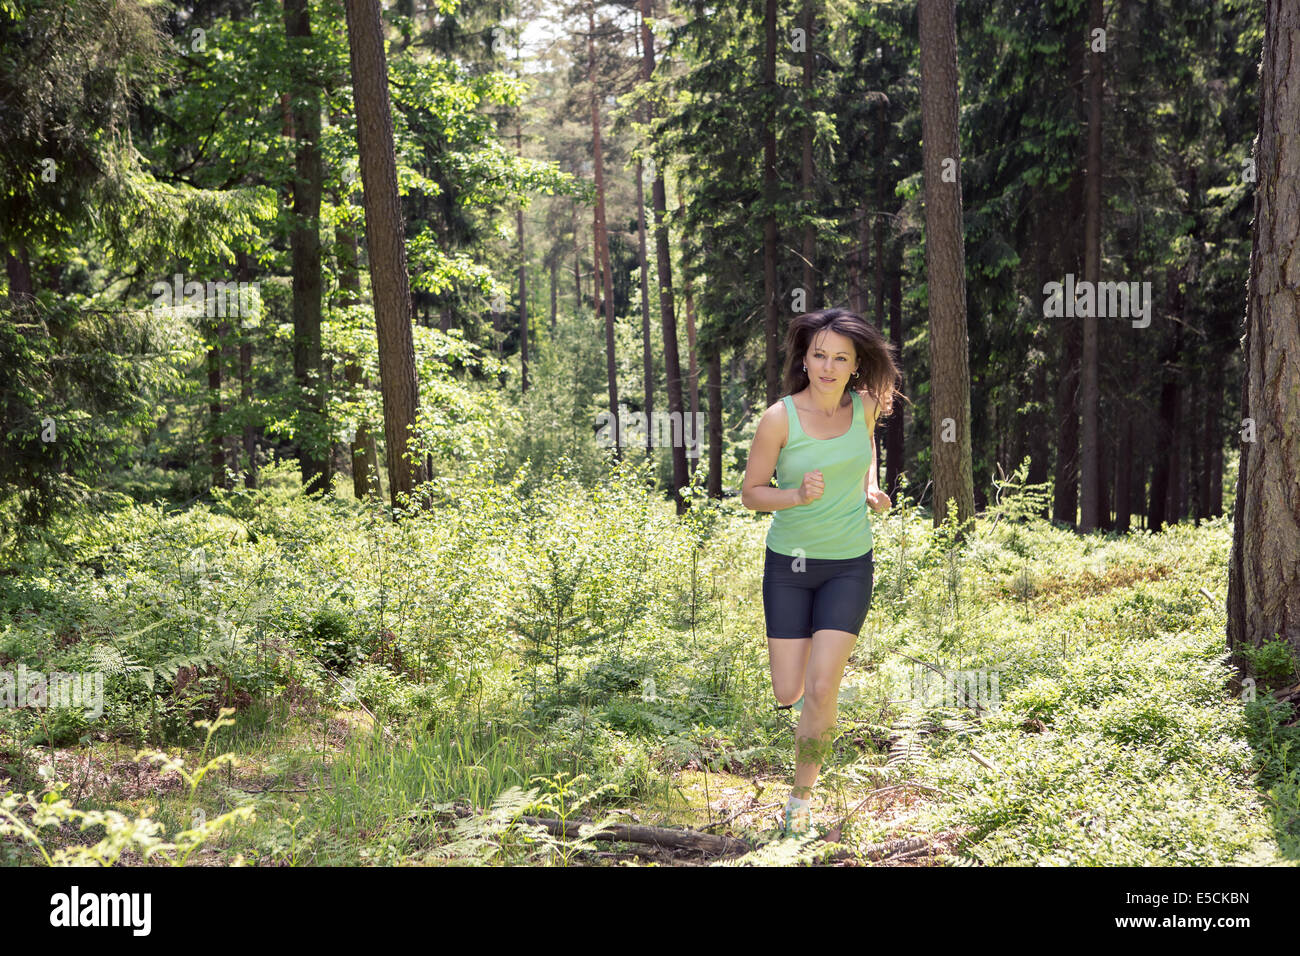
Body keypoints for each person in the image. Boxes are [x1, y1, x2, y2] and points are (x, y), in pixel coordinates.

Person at [740, 307, 902, 836]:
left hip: (848, 566)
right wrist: (795, 494)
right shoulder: (779, 419)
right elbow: (750, 494)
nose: (828, 367)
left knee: (821, 683)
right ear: (804, 358)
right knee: (789, 690)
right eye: (819, 355)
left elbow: (868, 447)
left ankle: (801, 801)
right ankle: (811, 690)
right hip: (789, 567)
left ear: (856, 365)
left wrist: (868, 486)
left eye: (841, 358)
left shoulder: (867, 406)